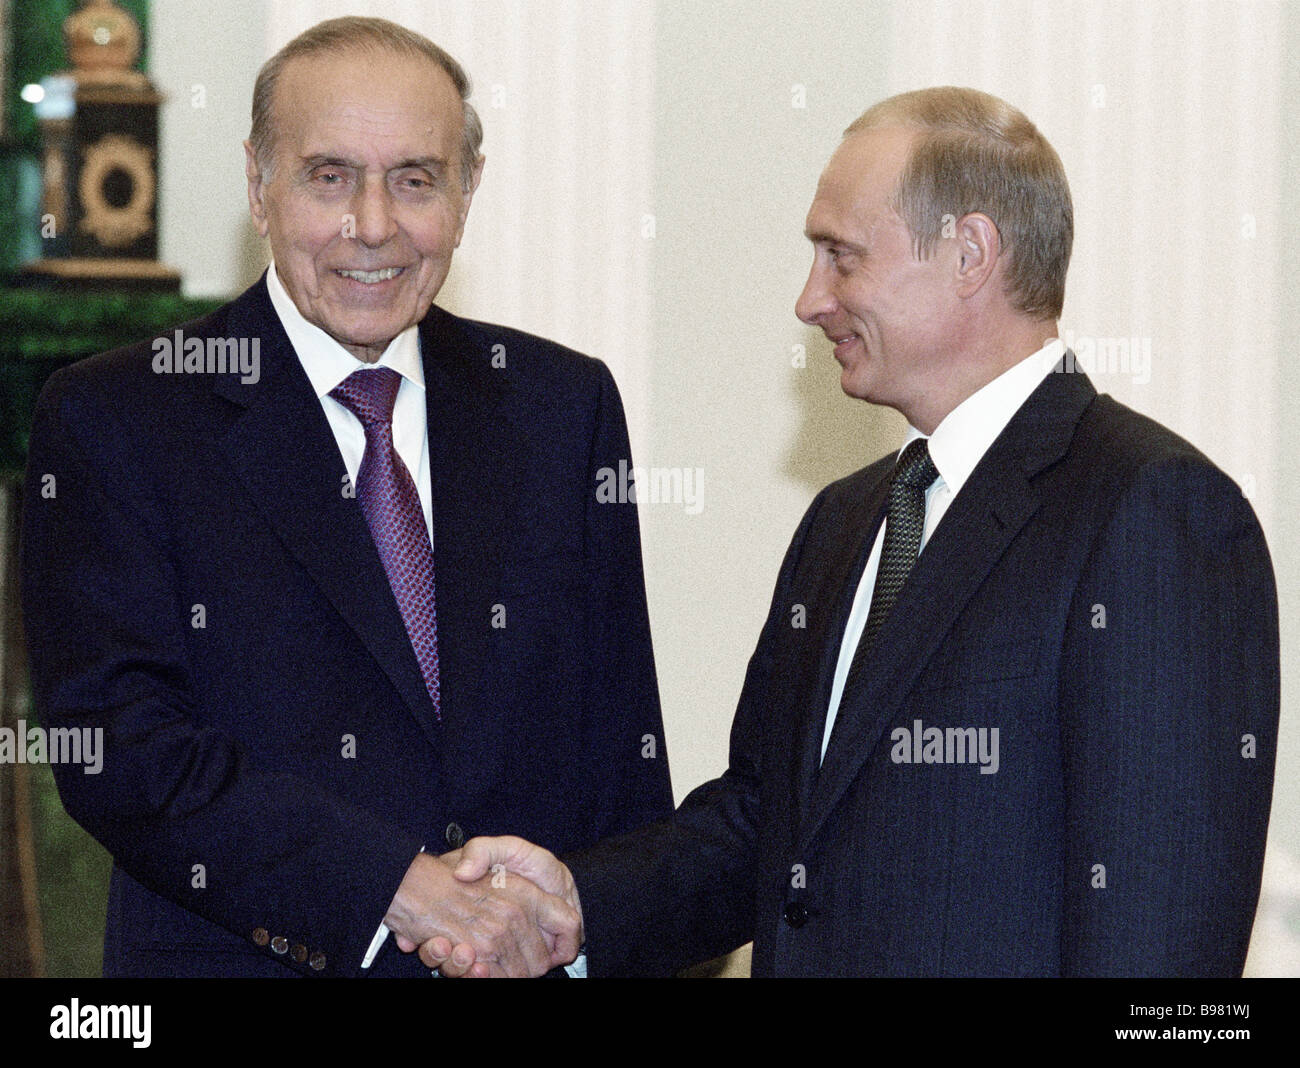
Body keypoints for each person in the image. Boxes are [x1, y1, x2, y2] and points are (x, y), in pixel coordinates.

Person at [441, 87, 1280, 977]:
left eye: (841, 257)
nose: (810, 300)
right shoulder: (847, 518)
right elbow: (769, 826)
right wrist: (574, 904)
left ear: (970, 253)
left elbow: (1161, 946)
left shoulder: (1150, 509)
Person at [20, 16, 669, 978]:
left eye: (416, 179)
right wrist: (391, 885)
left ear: (467, 189)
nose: (374, 225)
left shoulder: (560, 408)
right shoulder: (121, 416)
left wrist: (600, 932)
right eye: (330, 177)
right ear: (258, 184)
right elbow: (118, 750)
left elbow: (623, 756)